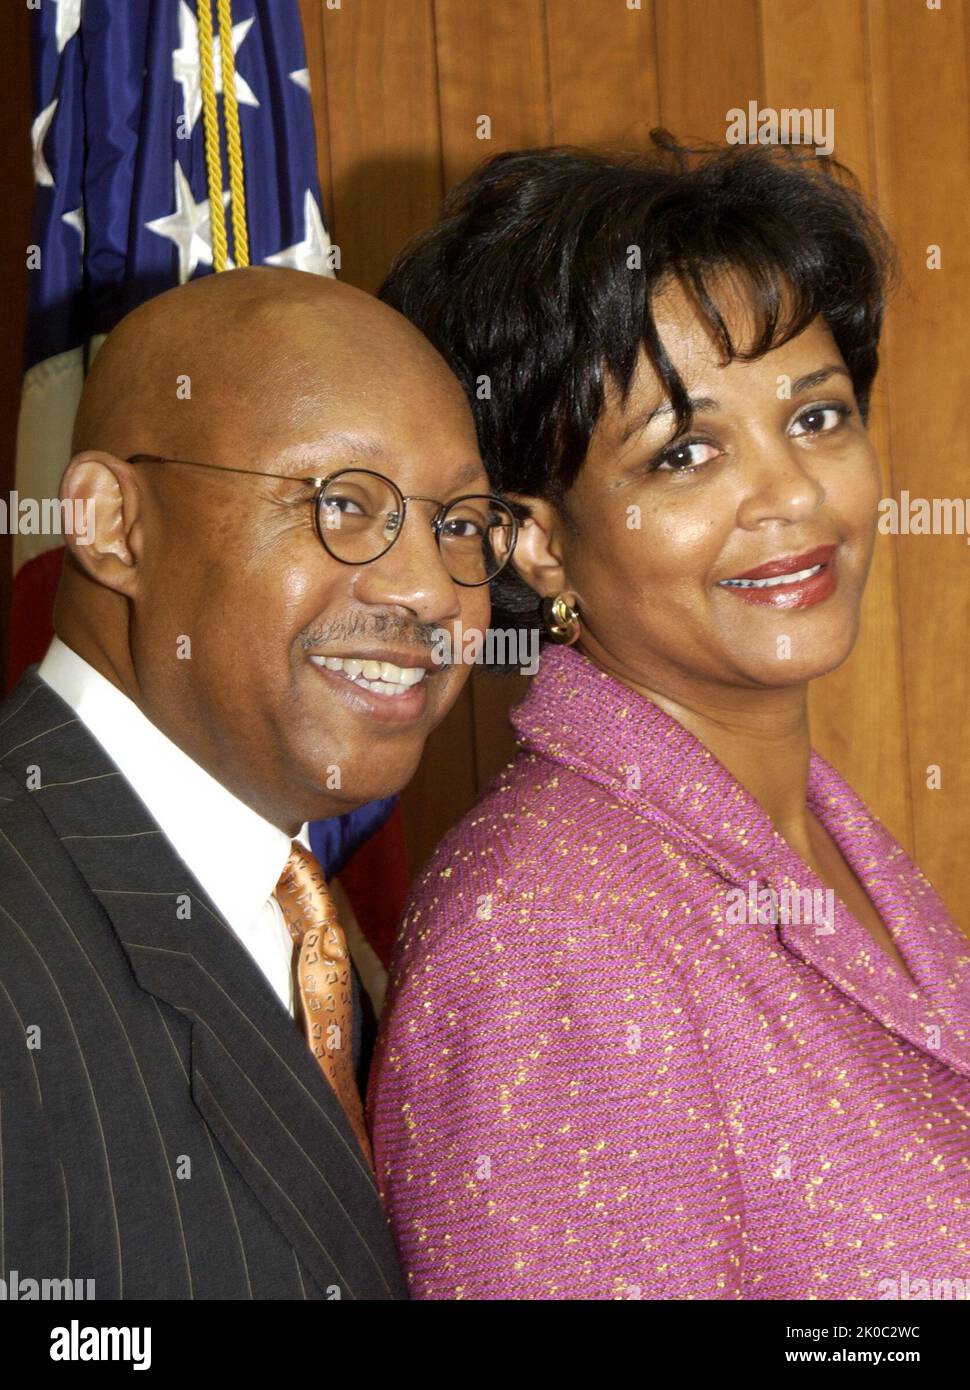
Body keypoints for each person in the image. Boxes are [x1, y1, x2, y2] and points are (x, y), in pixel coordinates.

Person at [367, 137, 970, 1299]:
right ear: (534, 539)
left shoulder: (820, 837)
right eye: (685, 451)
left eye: (817, 418)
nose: (792, 496)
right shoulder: (544, 933)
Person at [0, 265, 517, 1300]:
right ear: (113, 523)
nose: (427, 586)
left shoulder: (323, 934)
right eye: (340, 502)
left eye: (457, 523)